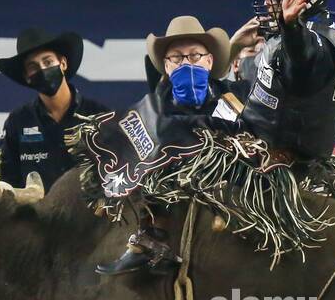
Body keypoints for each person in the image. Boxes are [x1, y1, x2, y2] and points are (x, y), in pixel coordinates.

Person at [93, 16, 239, 275]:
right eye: (177, 58)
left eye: (195, 56)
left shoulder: (235, 98)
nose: (186, 63)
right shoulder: (150, 111)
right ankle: (151, 239)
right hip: (175, 190)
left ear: (210, 60)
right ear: (166, 67)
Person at [239, 0, 335, 163]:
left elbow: (303, 65)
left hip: (273, 162)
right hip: (266, 143)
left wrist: (291, 28)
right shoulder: (333, 24)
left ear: (302, 0)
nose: (266, 2)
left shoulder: (309, 46)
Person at [0, 28, 109, 192]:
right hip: (35, 215)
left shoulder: (98, 115)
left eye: (47, 62)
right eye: (33, 66)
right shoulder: (17, 121)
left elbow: (116, 174)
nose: (42, 69)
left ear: (63, 64)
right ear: (27, 76)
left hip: (88, 215)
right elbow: (4, 180)